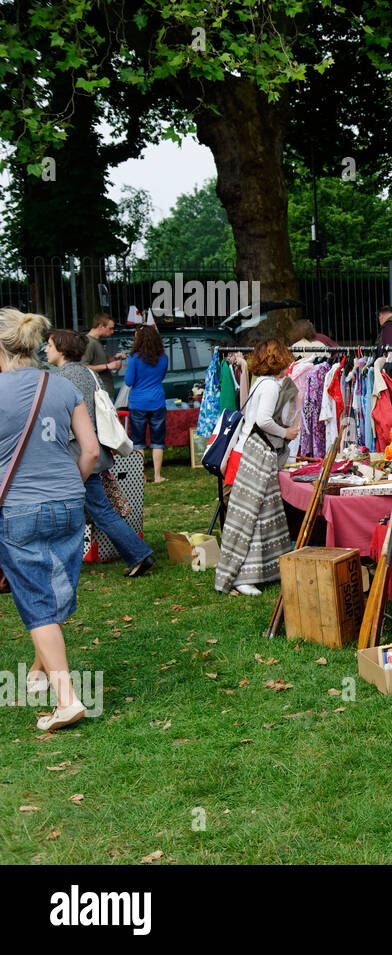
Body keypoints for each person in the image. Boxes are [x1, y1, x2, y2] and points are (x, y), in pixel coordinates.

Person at [0, 309, 100, 731]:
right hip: (68, 501)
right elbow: (91, 451)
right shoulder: (61, 386)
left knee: (39, 601)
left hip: (18, 506)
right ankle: (39, 674)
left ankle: (68, 699)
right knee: (51, 589)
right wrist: (70, 489)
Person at [44, 329, 155, 578]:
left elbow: (65, 418)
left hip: (77, 451)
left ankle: (139, 554)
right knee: (86, 508)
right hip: (89, 447)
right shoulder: (84, 372)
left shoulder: (64, 378)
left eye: (49, 344)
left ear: (61, 349)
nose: (45, 349)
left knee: (98, 510)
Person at [215, 340, 300, 596]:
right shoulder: (272, 386)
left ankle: (253, 571)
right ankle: (243, 576)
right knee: (253, 516)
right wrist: (286, 433)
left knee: (253, 515)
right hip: (257, 455)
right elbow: (263, 420)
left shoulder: (260, 382)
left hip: (249, 450)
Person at [125, 325, 169, 484]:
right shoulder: (163, 358)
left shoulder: (134, 358)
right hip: (157, 400)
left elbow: (128, 381)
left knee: (138, 441)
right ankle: (158, 476)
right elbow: (162, 376)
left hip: (138, 402)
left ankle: (141, 476)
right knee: (158, 441)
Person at [83, 312, 126, 395]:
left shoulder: (96, 341)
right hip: (100, 394)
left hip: (104, 392)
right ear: (100, 326)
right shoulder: (88, 343)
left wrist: (116, 358)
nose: (112, 331)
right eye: (110, 328)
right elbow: (83, 368)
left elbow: (104, 361)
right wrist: (107, 366)